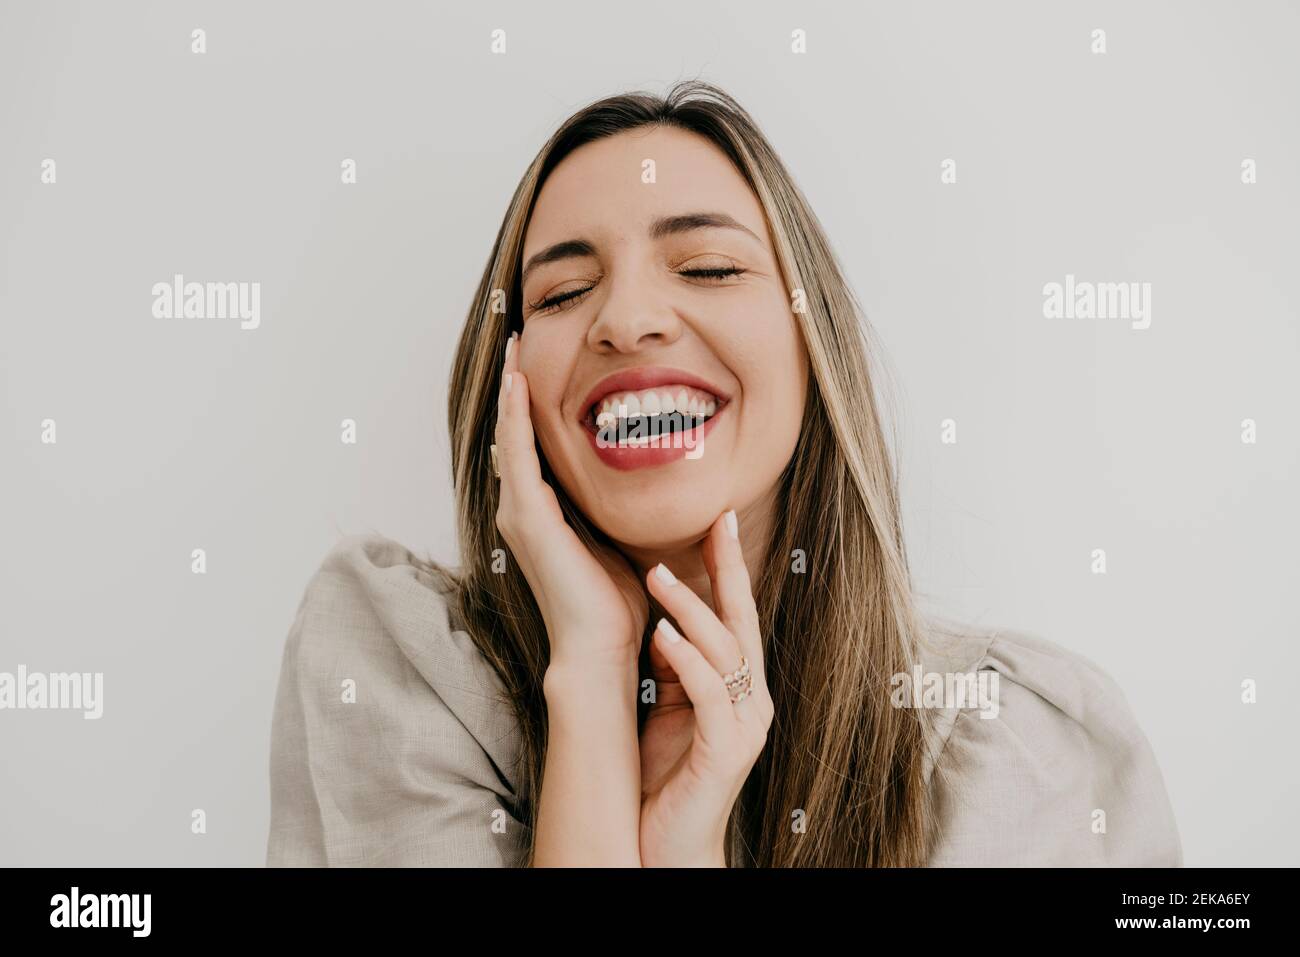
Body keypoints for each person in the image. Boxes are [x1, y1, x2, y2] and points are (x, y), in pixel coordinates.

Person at [266, 81, 1182, 867]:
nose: (625, 318)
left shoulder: (1019, 744)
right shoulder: (400, 672)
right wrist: (590, 674)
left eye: (706, 266)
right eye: (561, 292)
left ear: (812, 347)